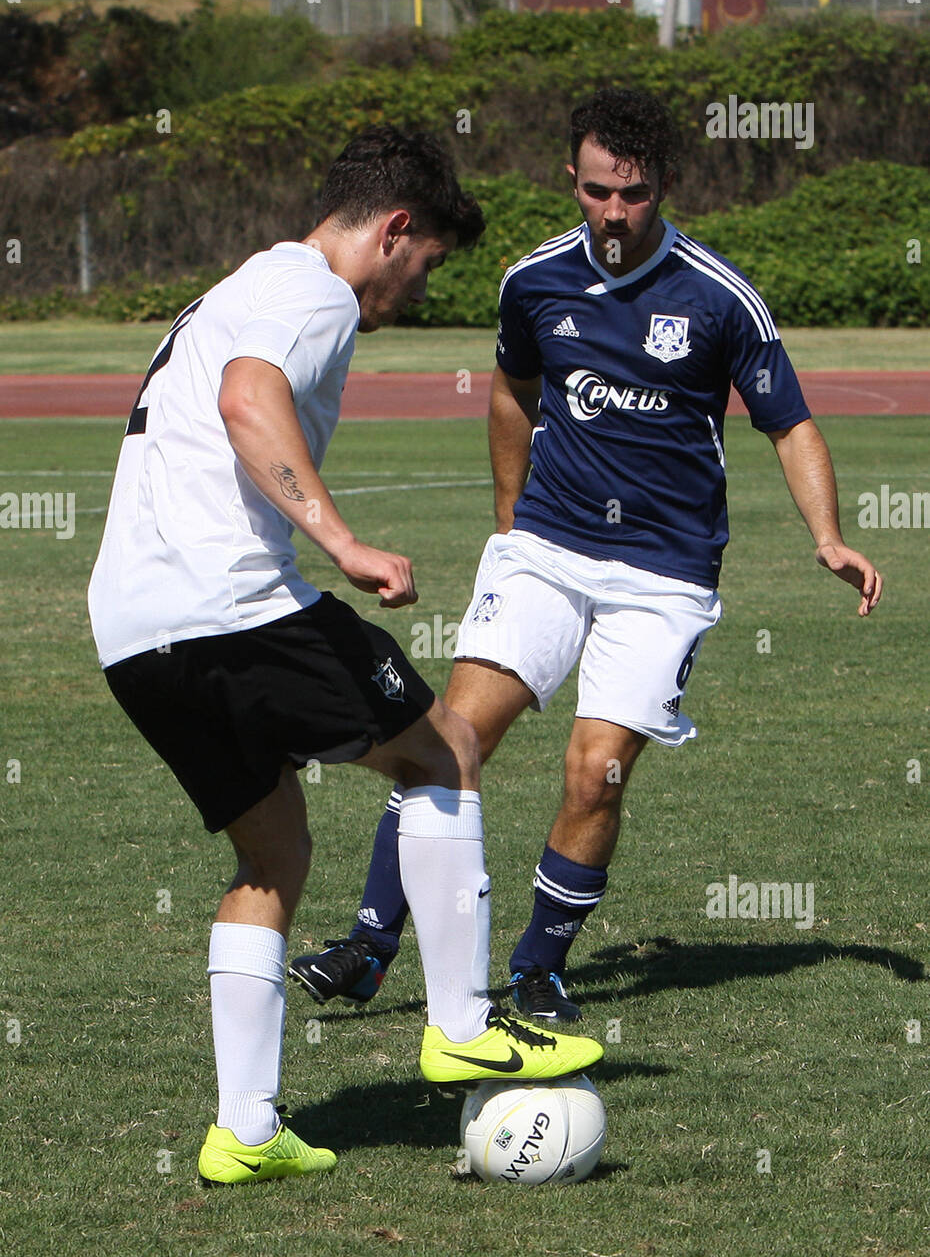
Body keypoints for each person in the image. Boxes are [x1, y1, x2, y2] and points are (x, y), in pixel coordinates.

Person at [290, 91, 883, 1023]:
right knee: (448, 739)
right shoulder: (533, 283)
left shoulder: (720, 298)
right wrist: (507, 521)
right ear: (573, 179)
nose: (614, 211)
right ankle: (369, 946)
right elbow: (511, 393)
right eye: (599, 190)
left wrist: (827, 536)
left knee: (594, 769)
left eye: (634, 194)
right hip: (549, 548)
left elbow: (789, 423)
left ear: (665, 188)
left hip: (666, 571)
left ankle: (538, 967)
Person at [87, 126, 604, 1186]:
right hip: (231, 605)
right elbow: (246, 401)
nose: (416, 289)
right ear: (396, 228)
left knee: (272, 856)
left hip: (133, 634)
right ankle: (461, 1022)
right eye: (426, 266)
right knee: (444, 753)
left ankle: (244, 1132)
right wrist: (343, 540)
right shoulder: (312, 289)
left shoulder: (240, 285)